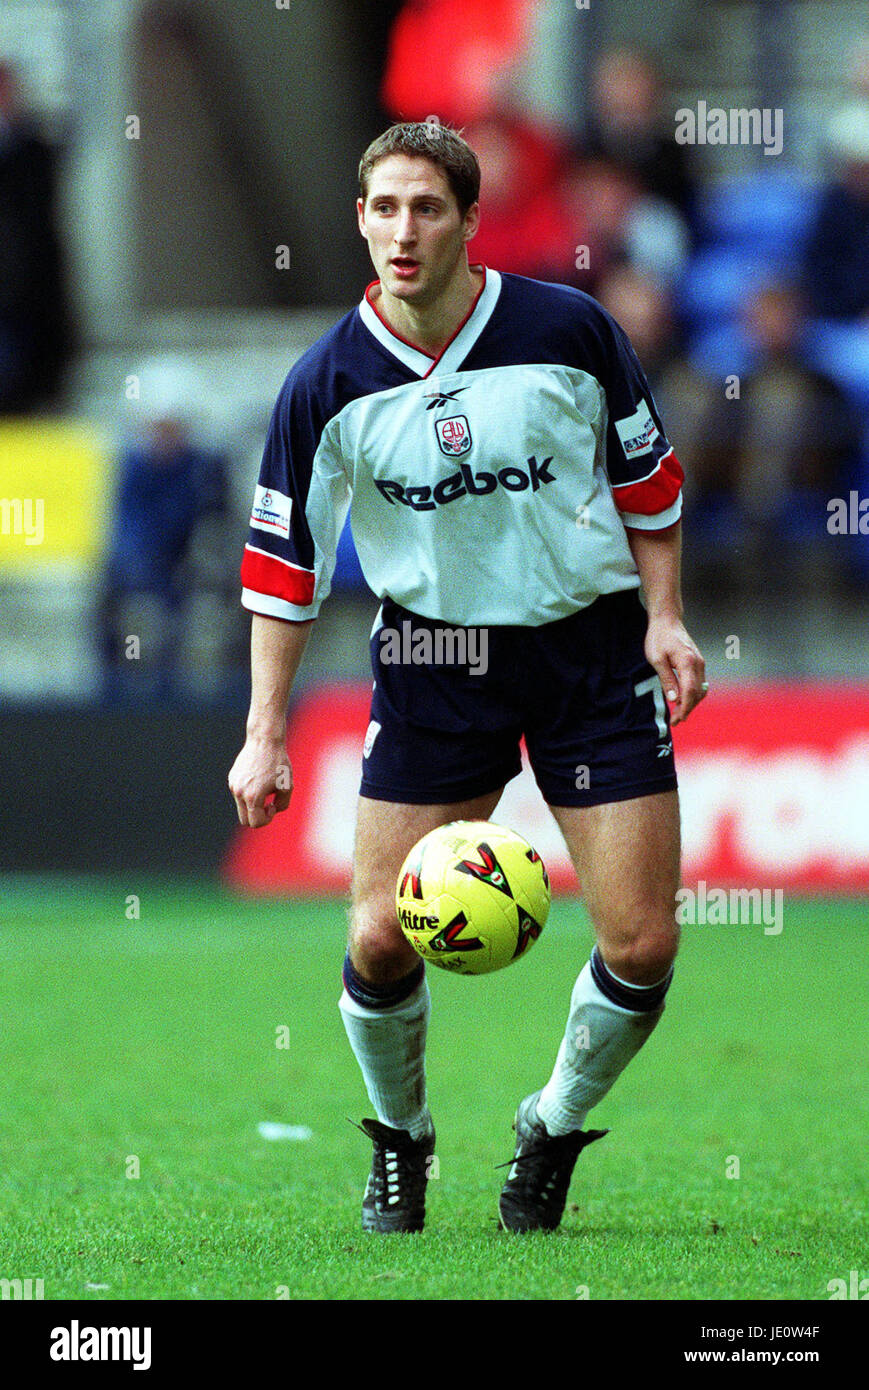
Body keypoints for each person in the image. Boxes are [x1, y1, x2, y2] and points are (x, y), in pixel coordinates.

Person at [228, 122, 707, 1235]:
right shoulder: (324, 385)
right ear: (359, 219)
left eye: (426, 208)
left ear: (468, 219)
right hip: (436, 661)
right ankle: (401, 1140)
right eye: (384, 208)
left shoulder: (567, 329)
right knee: (376, 937)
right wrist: (264, 730)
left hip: (586, 648)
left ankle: (547, 1127)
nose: (403, 230)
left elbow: (647, 480)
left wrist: (669, 619)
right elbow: (281, 568)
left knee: (640, 941)